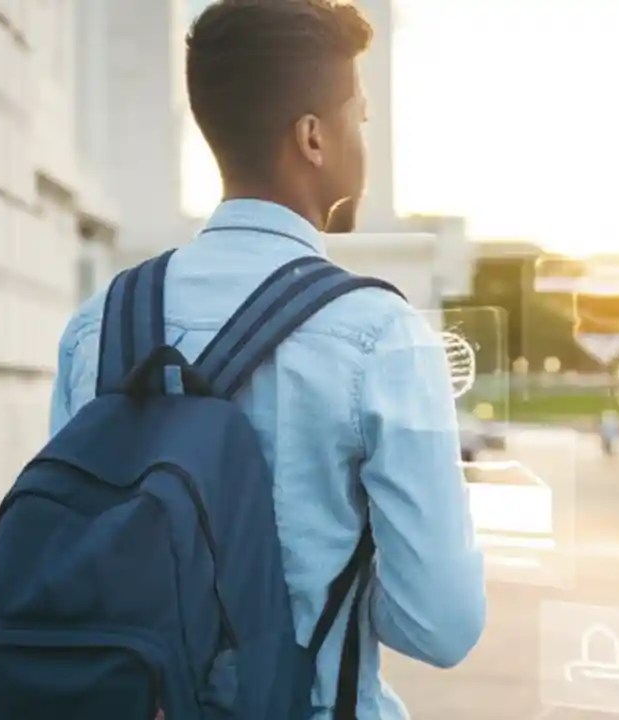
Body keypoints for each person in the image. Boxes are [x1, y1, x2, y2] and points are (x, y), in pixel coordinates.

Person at [50, 1, 486, 717]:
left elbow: (79, 558)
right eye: (361, 118)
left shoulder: (97, 325)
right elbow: (440, 625)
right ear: (314, 137)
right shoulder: (380, 334)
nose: (364, 139)